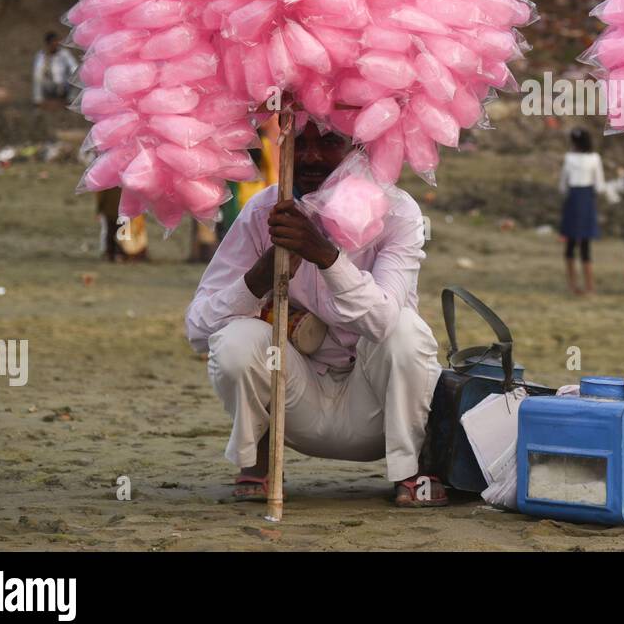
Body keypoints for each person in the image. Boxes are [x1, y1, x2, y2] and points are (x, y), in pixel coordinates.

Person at [185, 120, 445, 507]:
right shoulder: (263, 211)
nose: (309, 156)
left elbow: (382, 323)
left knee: (407, 330)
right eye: (298, 143)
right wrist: (260, 277)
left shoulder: (398, 211)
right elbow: (198, 330)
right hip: (296, 408)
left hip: (377, 408)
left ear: (360, 147)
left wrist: (326, 257)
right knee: (236, 341)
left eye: (328, 142)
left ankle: (408, 470)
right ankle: (258, 462)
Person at [558, 127, 606, 295]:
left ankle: (572, 284)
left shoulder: (568, 158)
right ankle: (589, 285)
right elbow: (599, 186)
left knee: (570, 244)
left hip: (573, 199)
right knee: (585, 245)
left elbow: (563, 185)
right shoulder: (595, 158)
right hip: (587, 199)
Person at [31, 31, 77, 107]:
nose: (55, 44)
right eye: (53, 42)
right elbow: (38, 73)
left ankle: (71, 99)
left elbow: (74, 66)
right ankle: (38, 99)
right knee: (37, 75)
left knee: (76, 74)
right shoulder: (41, 55)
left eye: (56, 42)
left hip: (64, 85)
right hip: (50, 86)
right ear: (48, 44)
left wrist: (72, 76)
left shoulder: (64, 54)